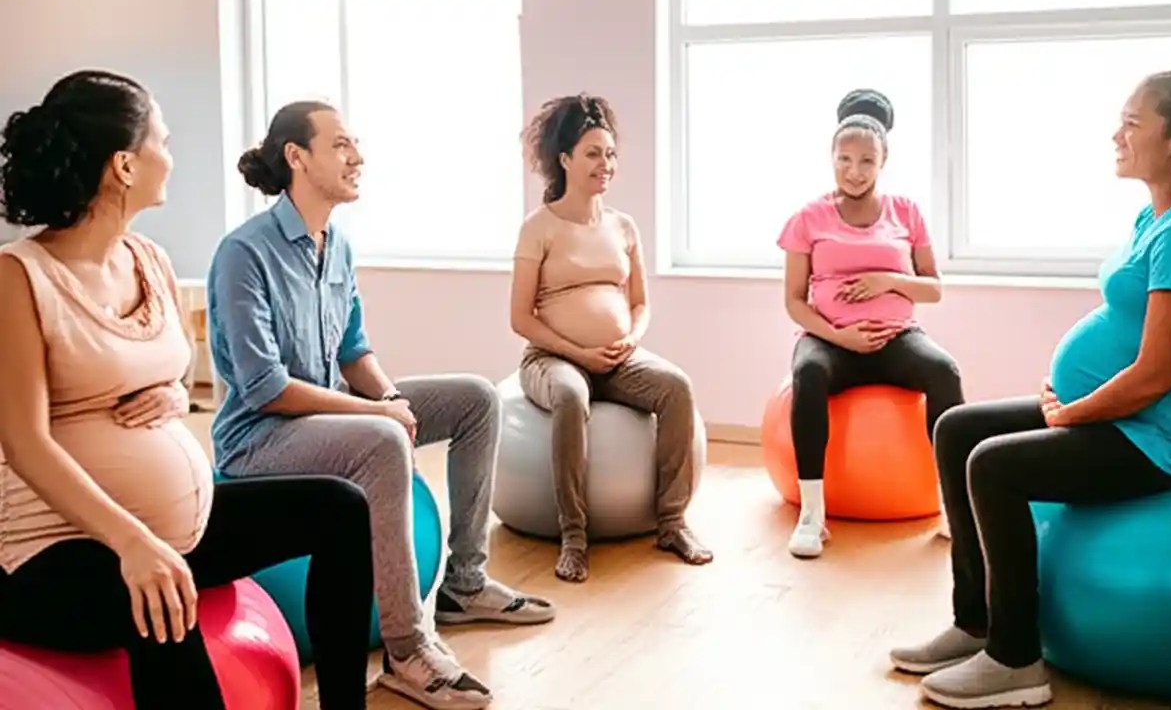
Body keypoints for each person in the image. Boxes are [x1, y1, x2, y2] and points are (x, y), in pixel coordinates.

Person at [889, 70, 1171, 709]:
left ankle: (1016, 663)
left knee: (994, 465)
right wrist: (1069, 390)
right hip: (1119, 418)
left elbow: (1156, 374)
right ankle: (976, 622)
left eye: (1131, 122)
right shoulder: (1155, 214)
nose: (1115, 134)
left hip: (1161, 438)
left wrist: (1071, 414)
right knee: (957, 429)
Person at [0, 70, 376, 710]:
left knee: (339, 507)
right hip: (54, 550)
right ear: (123, 165)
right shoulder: (19, 277)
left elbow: (165, 374)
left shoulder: (148, 258)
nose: (171, 156)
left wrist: (175, 399)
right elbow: (25, 442)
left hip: (169, 529)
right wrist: (132, 543)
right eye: (163, 142)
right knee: (161, 601)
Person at [206, 100, 559, 709]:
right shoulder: (244, 254)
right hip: (259, 441)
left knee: (474, 398)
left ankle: (465, 583)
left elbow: (353, 351)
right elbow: (265, 388)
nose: (358, 156)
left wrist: (390, 397)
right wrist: (378, 417)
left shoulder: (336, 244)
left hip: (325, 414)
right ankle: (407, 650)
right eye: (341, 144)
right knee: (384, 439)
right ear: (297, 157)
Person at [509, 93, 713, 583]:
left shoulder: (624, 226)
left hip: (620, 357)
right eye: (593, 154)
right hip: (553, 357)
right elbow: (520, 318)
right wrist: (578, 352)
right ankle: (573, 537)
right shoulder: (538, 228)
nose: (606, 164)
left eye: (611, 154)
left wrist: (631, 338)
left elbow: (641, 302)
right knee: (570, 393)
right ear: (565, 161)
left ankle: (672, 522)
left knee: (676, 386)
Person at [777, 89, 963, 558]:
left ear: (883, 161)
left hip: (896, 339)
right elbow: (795, 303)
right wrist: (837, 335)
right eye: (844, 159)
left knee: (945, 372)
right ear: (831, 158)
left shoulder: (907, 212)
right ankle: (812, 516)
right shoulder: (808, 217)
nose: (854, 171)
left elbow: (933, 288)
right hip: (830, 338)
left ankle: (953, 507)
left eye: (865, 161)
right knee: (808, 374)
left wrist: (888, 280)